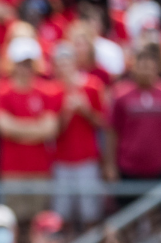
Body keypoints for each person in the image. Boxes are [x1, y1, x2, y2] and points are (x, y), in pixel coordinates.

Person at [105, 45, 161, 206]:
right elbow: (112, 132)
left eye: (149, 66)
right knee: (127, 217)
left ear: (157, 68)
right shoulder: (120, 95)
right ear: (133, 67)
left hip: (160, 168)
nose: (145, 70)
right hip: (127, 168)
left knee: (158, 217)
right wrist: (110, 165)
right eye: (141, 65)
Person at [0, 37, 60, 221]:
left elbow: (50, 128)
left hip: (40, 170)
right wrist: (35, 130)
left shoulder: (47, 90)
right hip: (12, 170)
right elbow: (4, 127)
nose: (25, 68)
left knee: (38, 221)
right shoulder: (2, 90)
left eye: (28, 63)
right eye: (21, 63)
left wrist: (18, 130)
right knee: (14, 220)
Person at [51, 42, 107, 231]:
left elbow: (104, 121)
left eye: (67, 62)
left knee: (90, 214)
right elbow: (52, 130)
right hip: (61, 161)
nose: (64, 67)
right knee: (62, 217)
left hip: (87, 159)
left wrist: (86, 110)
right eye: (60, 63)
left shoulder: (93, 85)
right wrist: (67, 112)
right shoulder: (52, 90)